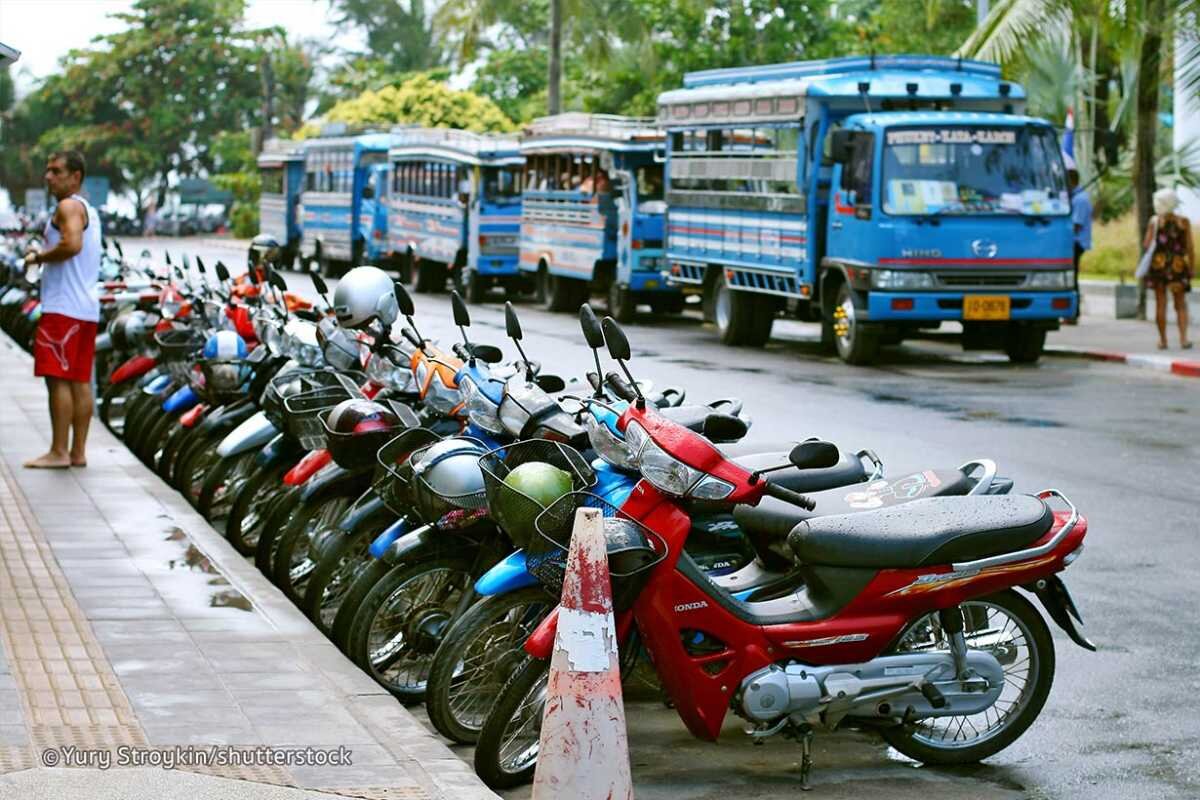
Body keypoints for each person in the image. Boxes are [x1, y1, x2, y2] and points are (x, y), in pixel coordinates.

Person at [22, 150, 102, 469]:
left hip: (62, 309)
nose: (49, 177)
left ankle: (58, 451)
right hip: (85, 309)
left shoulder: (68, 205)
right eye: (48, 170)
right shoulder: (89, 211)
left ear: (75, 177)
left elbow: (71, 245)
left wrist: (37, 258)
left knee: (57, 378)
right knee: (79, 381)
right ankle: (78, 452)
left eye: (56, 171)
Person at [1143, 188, 1194, 350]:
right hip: (1178, 267)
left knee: (1160, 303)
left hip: (1158, 266)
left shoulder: (1154, 221)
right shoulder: (1183, 222)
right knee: (1180, 304)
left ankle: (1163, 340)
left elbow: (1146, 244)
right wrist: (1191, 267)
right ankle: (1183, 339)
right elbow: (1190, 248)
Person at [1067, 168, 1092, 324]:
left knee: (1072, 277)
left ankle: (1073, 313)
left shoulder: (1080, 199)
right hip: (1074, 242)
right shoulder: (1075, 197)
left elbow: (1077, 224)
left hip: (1076, 242)